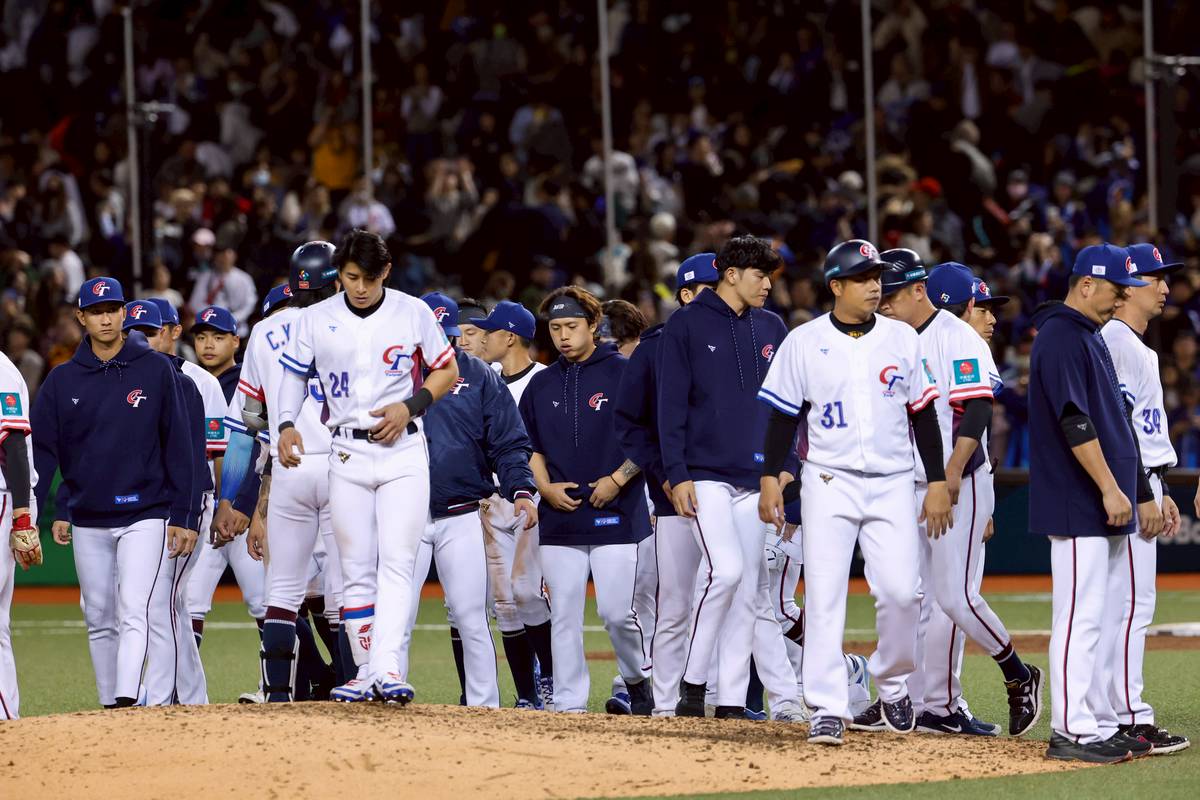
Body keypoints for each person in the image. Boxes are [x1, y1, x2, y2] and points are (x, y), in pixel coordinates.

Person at [757, 240, 952, 746]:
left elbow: (923, 415)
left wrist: (936, 481)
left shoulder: (902, 338)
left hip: (891, 481)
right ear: (836, 286)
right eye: (863, 277)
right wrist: (769, 476)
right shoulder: (803, 341)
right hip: (827, 479)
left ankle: (890, 681)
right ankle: (826, 704)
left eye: (877, 276)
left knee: (902, 593)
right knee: (824, 595)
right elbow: (781, 416)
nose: (874, 285)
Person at [275, 229, 460, 703]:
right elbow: (293, 376)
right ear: (339, 274)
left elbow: (447, 369)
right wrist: (287, 425)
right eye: (351, 277)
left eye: (369, 278)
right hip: (346, 451)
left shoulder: (412, 311)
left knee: (397, 563)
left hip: (402, 449)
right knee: (353, 570)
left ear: (386, 273)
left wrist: (411, 405)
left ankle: (387, 668)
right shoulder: (315, 317)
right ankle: (363, 672)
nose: (359, 287)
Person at [874, 254, 1042, 737]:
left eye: (889, 297)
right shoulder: (896, 338)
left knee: (954, 597)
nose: (881, 306)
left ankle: (1017, 673)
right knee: (910, 596)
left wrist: (946, 480)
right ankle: (922, 701)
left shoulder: (956, 334)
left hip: (956, 481)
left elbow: (975, 412)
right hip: (909, 482)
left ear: (917, 292)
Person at [656, 236, 805, 723]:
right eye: (760, 276)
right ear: (732, 273)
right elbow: (670, 405)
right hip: (704, 475)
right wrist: (675, 474)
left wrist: (786, 466)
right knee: (727, 571)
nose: (768, 285)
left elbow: (789, 404)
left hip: (756, 475)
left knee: (751, 589)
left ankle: (731, 701)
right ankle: (693, 685)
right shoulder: (686, 323)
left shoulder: (772, 325)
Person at [31, 277, 198, 708]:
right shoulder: (61, 381)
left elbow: (180, 445)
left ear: (124, 314)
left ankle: (126, 701)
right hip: (88, 516)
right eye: (97, 310)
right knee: (99, 618)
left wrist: (184, 514)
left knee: (134, 610)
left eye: (113, 309)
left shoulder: (156, 370)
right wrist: (34, 512)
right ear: (81, 318)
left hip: (148, 513)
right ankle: (110, 705)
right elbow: (45, 454)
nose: (106, 317)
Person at [1028, 243, 1158, 763]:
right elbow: (1074, 419)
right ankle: (1071, 731)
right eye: (1114, 290)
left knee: (1100, 617)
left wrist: (1134, 488)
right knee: (1080, 617)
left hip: (1103, 500)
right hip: (1079, 499)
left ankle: (1099, 720)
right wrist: (1108, 485)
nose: (1119, 299)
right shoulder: (1061, 335)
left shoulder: (1088, 335)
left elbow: (1116, 422)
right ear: (1086, 284)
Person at [396, 293, 538, 708]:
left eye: (449, 333)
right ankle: (387, 703)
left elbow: (509, 443)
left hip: (459, 512)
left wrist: (522, 490)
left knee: (471, 616)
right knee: (397, 616)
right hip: (402, 512)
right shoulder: (390, 374)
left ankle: (484, 707)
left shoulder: (478, 375)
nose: (443, 340)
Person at [220, 242, 346, 702]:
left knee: (282, 590)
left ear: (293, 284)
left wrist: (231, 498)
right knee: (344, 591)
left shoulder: (265, 331)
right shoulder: (350, 324)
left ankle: (277, 695)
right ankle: (349, 690)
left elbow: (246, 425)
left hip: (288, 468)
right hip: (340, 465)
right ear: (337, 280)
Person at [518, 286, 651, 714]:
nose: (563, 336)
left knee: (616, 614)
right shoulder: (541, 383)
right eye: (555, 328)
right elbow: (530, 448)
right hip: (560, 517)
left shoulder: (625, 372)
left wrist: (617, 479)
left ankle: (636, 679)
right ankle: (571, 706)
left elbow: (648, 438)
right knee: (564, 618)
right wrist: (545, 489)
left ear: (594, 325)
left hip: (617, 511)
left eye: (572, 326)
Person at [613, 253, 715, 716]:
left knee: (739, 598)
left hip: (732, 487)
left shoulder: (745, 339)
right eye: (707, 289)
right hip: (674, 497)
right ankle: (667, 702)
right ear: (686, 295)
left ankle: (727, 696)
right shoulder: (654, 348)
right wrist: (664, 476)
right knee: (674, 603)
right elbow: (631, 423)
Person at [1099, 243, 1190, 754]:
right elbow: (1119, 428)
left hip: (1146, 480)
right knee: (1130, 606)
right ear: (1128, 287)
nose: (1164, 287)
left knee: (1125, 605)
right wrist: (1142, 492)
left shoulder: (1135, 344)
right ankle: (1129, 715)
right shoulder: (1115, 338)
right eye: (1154, 278)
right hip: (1132, 484)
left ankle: (1115, 710)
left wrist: (1162, 487)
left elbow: (1143, 428)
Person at [125, 299, 228, 705]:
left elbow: (219, 450)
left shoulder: (200, 382)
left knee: (158, 599)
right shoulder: (122, 378)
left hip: (188, 501)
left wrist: (224, 503)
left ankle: (161, 698)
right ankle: (192, 696)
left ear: (172, 332)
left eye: (150, 332)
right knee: (171, 604)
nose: (141, 340)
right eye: (133, 333)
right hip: (143, 504)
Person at [177, 305, 269, 699]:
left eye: (217, 336)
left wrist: (249, 508)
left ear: (236, 341)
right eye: (201, 336)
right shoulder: (183, 382)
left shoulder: (251, 383)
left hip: (243, 511)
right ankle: (180, 690)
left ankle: (279, 687)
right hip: (204, 510)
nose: (208, 344)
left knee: (266, 602)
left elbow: (259, 453)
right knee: (189, 603)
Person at [472, 299, 553, 709]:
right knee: (504, 601)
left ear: (509, 337)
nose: (481, 338)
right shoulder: (484, 380)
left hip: (533, 498)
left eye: (488, 332)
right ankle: (527, 695)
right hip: (493, 499)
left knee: (530, 594)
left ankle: (551, 680)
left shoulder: (544, 379)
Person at [1, 346, 41, 719]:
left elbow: (13, 446)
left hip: (3, 499)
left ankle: (5, 718)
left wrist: (22, 518)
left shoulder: (1, 370)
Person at [188, 240, 258, 335]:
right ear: (215, 257)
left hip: (237, 328)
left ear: (234, 256)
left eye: (227, 255)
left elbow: (249, 304)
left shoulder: (244, 279)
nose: (223, 258)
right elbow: (195, 303)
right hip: (210, 326)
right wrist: (213, 318)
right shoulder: (206, 277)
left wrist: (232, 318)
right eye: (220, 255)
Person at [192, 305, 241, 398]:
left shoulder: (247, 382)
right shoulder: (192, 382)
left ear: (235, 341)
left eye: (218, 338)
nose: (208, 345)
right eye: (201, 338)